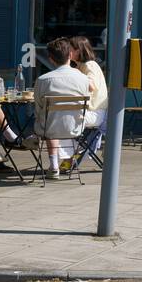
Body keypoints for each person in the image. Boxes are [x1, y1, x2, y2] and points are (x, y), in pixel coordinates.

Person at [32, 37, 92, 179]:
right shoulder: (84, 79)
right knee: (54, 119)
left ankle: (53, 165)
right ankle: (62, 162)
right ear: (70, 55)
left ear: (51, 59)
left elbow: (38, 108)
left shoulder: (43, 80)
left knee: (49, 120)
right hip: (75, 127)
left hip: (49, 128)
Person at [68, 36, 107, 170]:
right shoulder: (82, 66)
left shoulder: (90, 65)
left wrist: (71, 75)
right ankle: (67, 156)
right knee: (60, 120)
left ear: (78, 50)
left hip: (95, 113)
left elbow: (91, 85)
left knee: (60, 121)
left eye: (70, 48)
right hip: (89, 111)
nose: (68, 51)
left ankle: (66, 156)